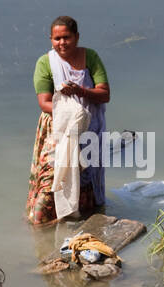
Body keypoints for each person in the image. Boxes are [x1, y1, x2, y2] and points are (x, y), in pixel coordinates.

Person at [26, 15, 111, 225]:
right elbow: (44, 102)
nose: (61, 43)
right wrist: (70, 113)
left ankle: (78, 226)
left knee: (85, 184)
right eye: (56, 39)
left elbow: (105, 94)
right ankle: (41, 227)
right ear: (50, 39)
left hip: (89, 128)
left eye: (66, 37)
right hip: (59, 130)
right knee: (51, 180)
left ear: (77, 37)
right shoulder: (45, 63)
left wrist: (80, 92)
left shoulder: (90, 57)